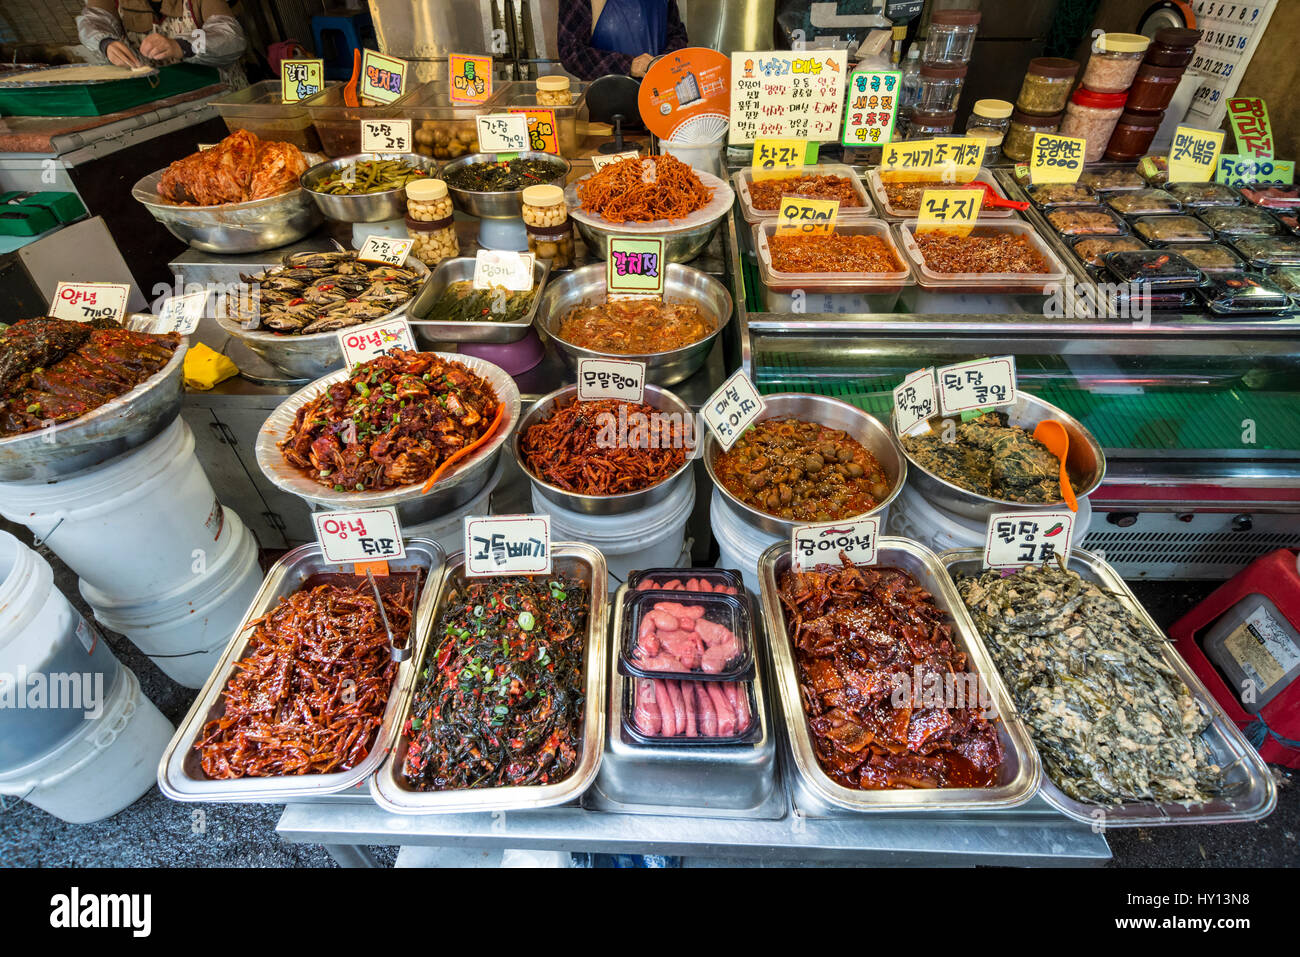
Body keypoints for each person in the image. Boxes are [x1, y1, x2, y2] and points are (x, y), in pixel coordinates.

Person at [76, 0, 248, 88]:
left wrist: (180, 46)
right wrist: (106, 43)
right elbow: (93, 20)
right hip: (162, 104)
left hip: (223, 98)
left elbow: (230, 37)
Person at [559, 0, 688, 81]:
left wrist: (662, 61)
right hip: (609, 112)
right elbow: (570, 51)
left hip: (662, 101)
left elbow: (677, 34)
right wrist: (629, 66)